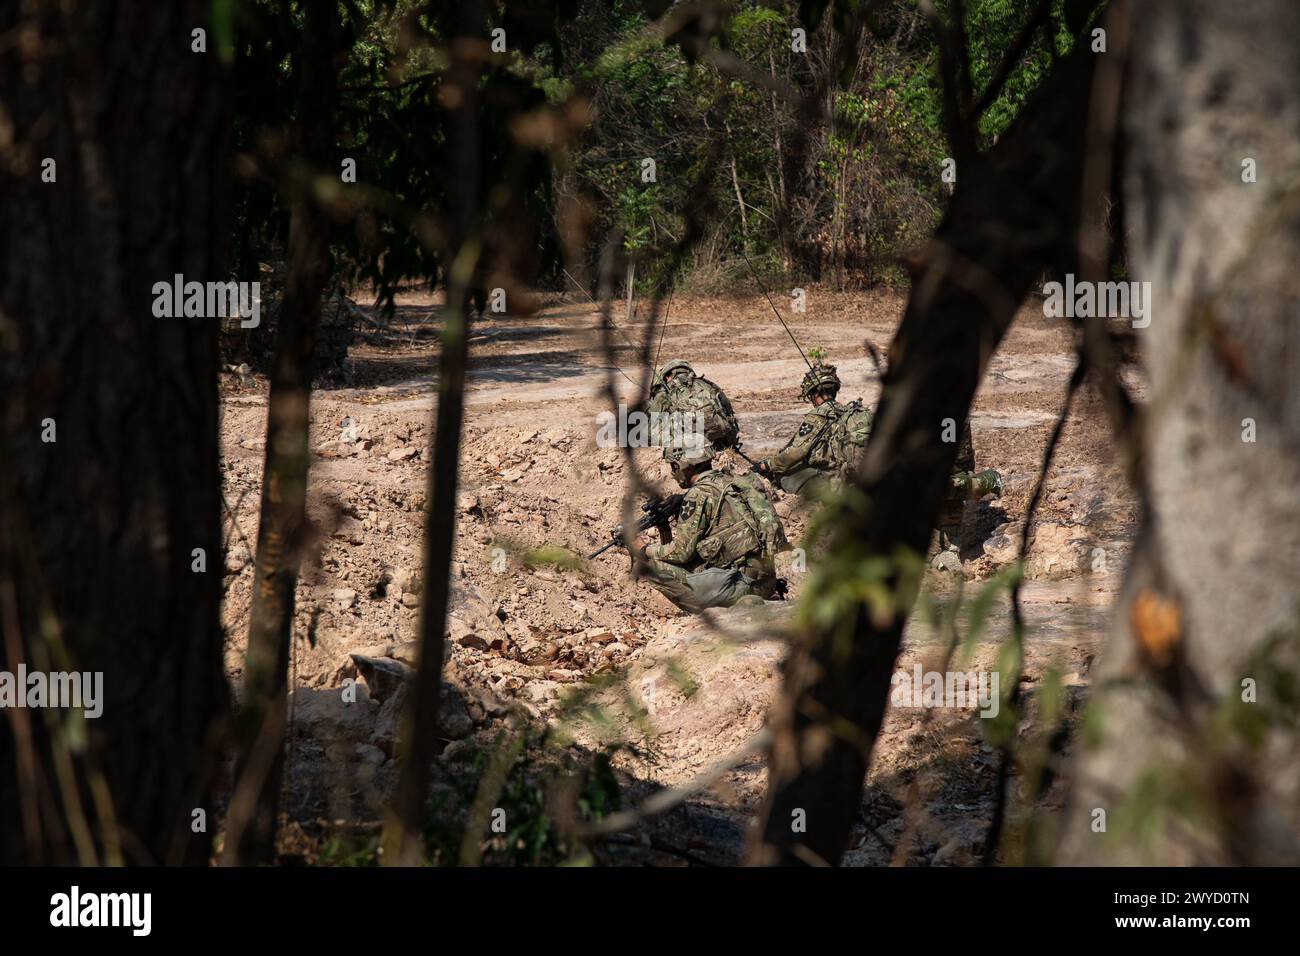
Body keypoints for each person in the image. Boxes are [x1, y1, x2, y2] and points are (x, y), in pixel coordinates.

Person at [632, 443, 787, 612]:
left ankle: (709, 613)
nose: (672, 473)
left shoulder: (698, 495)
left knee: (647, 565)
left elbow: (680, 553)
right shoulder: (733, 482)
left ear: (685, 466)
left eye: (674, 466)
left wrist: (643, 548)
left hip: (740, 586)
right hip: (766, 582)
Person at [755, 361, 857, 498]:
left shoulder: (818, 416)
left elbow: (795, 453)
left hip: (832, 484)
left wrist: (767, 465)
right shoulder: (849, 412)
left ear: (815, 394)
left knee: (782, 471)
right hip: (855, 479)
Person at [646, 359, 740, 453]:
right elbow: (728, 412)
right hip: (719, 434)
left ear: (667, 377)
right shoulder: (707, 384)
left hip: (690, 442)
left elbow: (651, 430)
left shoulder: (665, 393)